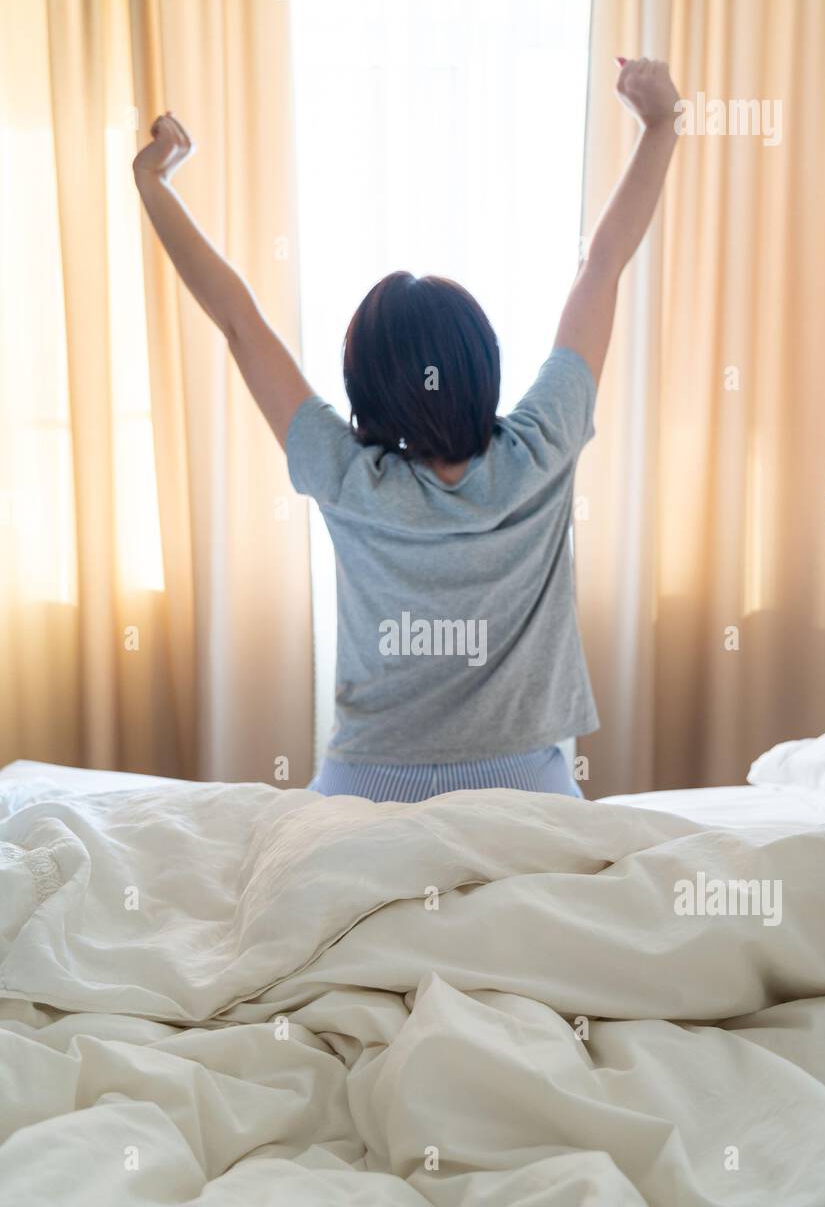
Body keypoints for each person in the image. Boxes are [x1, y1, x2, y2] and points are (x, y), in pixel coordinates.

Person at [133, 57, 679, 802]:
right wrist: (659, 126)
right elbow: (602, 266)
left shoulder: (344, 474)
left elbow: (238, 321)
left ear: (363, 388)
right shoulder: (542, 447)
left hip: (364, 786)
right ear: (483, 359)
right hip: (526, 784)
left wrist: (154, 186)